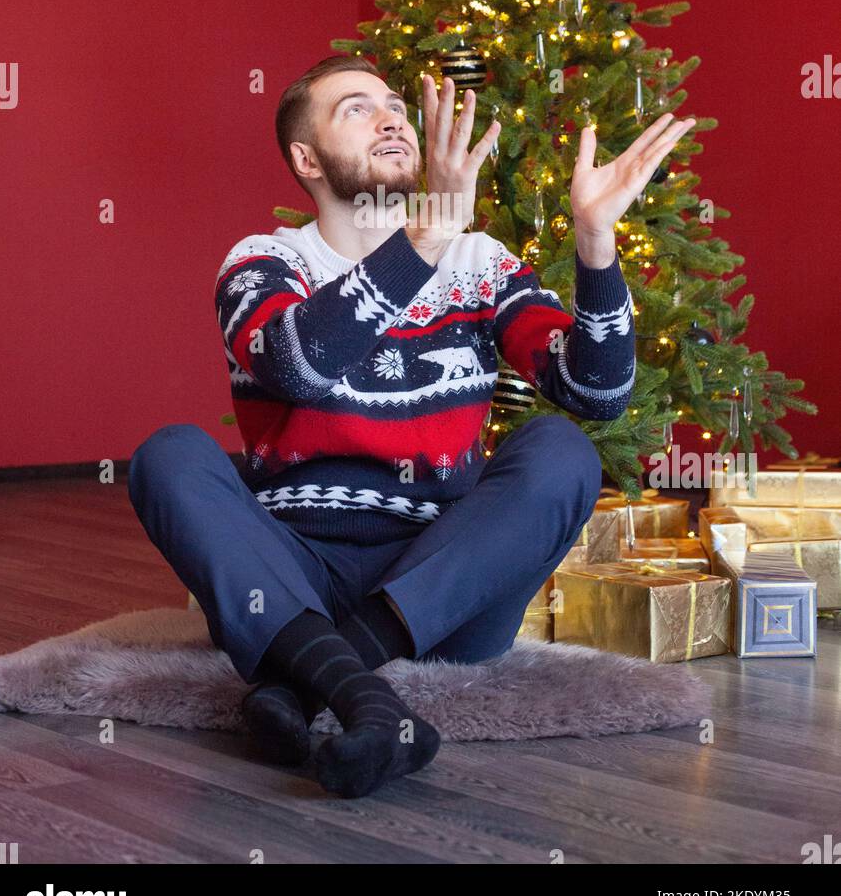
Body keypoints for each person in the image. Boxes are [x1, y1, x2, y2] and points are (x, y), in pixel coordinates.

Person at [127, 55, 695, 798]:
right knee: (168, 455)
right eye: (356, 109)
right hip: (294, 573)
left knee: (561, 449)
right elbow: (299, 363)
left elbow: (599, 390)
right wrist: (423, 242)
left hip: (444, 588)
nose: (392, 116)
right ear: (306, 158)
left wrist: (595, 243)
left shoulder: (479, 265)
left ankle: (308, 682)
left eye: (395, 104)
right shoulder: (265, 260)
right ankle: (372, 701)